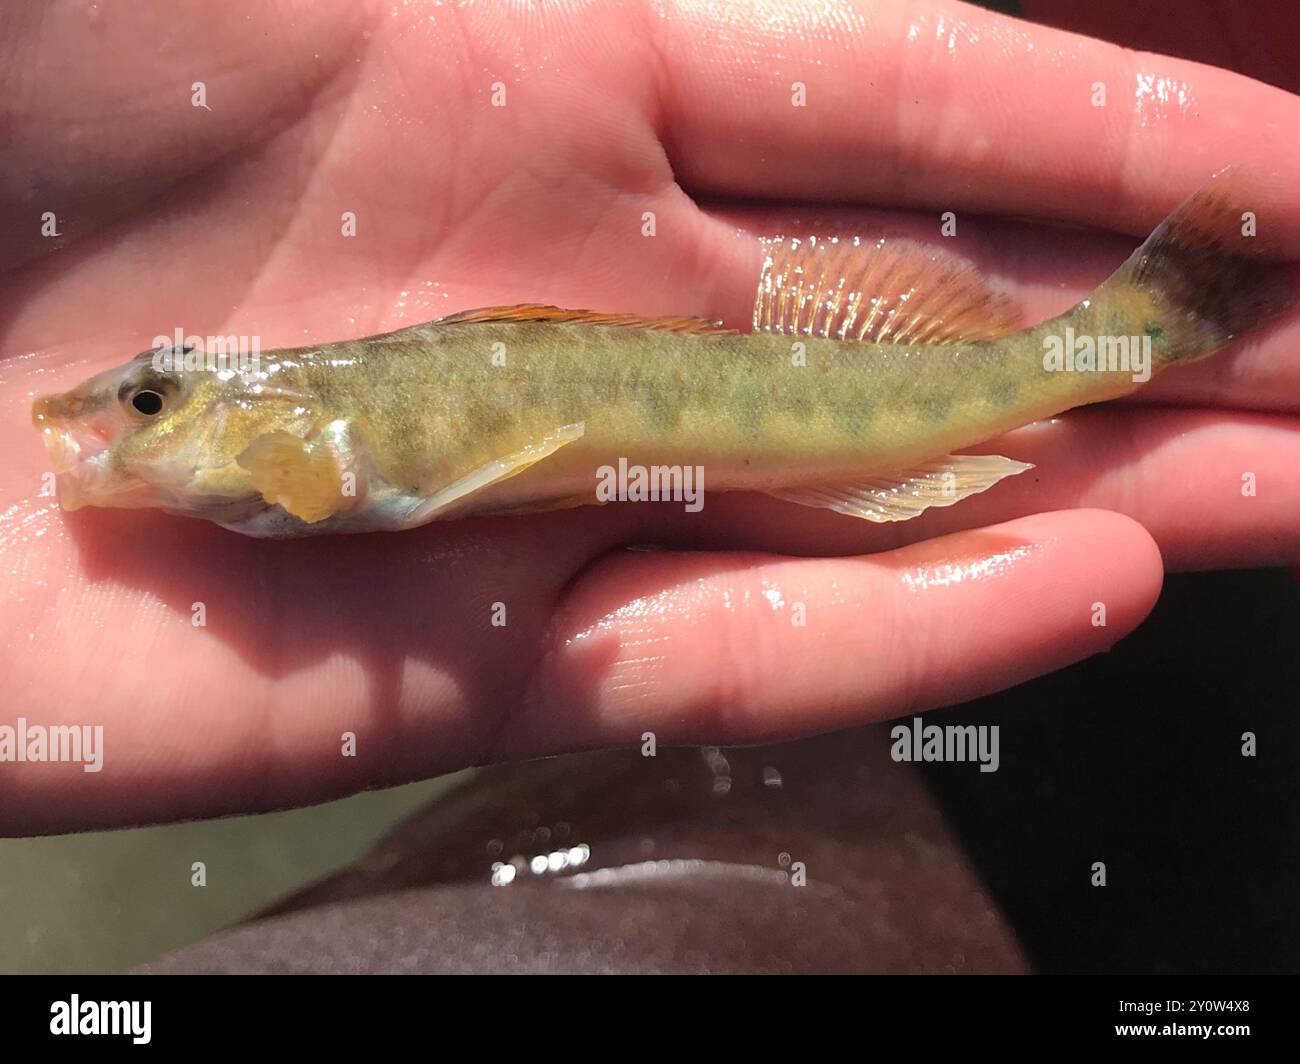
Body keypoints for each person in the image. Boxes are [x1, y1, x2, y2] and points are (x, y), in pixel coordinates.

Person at [2, 0, 1298, 837]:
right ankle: (1147, 319)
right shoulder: (279, 453)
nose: (112, 432)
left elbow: (314, 485)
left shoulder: (299, 435)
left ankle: (1153, 318)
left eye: (153, 402)